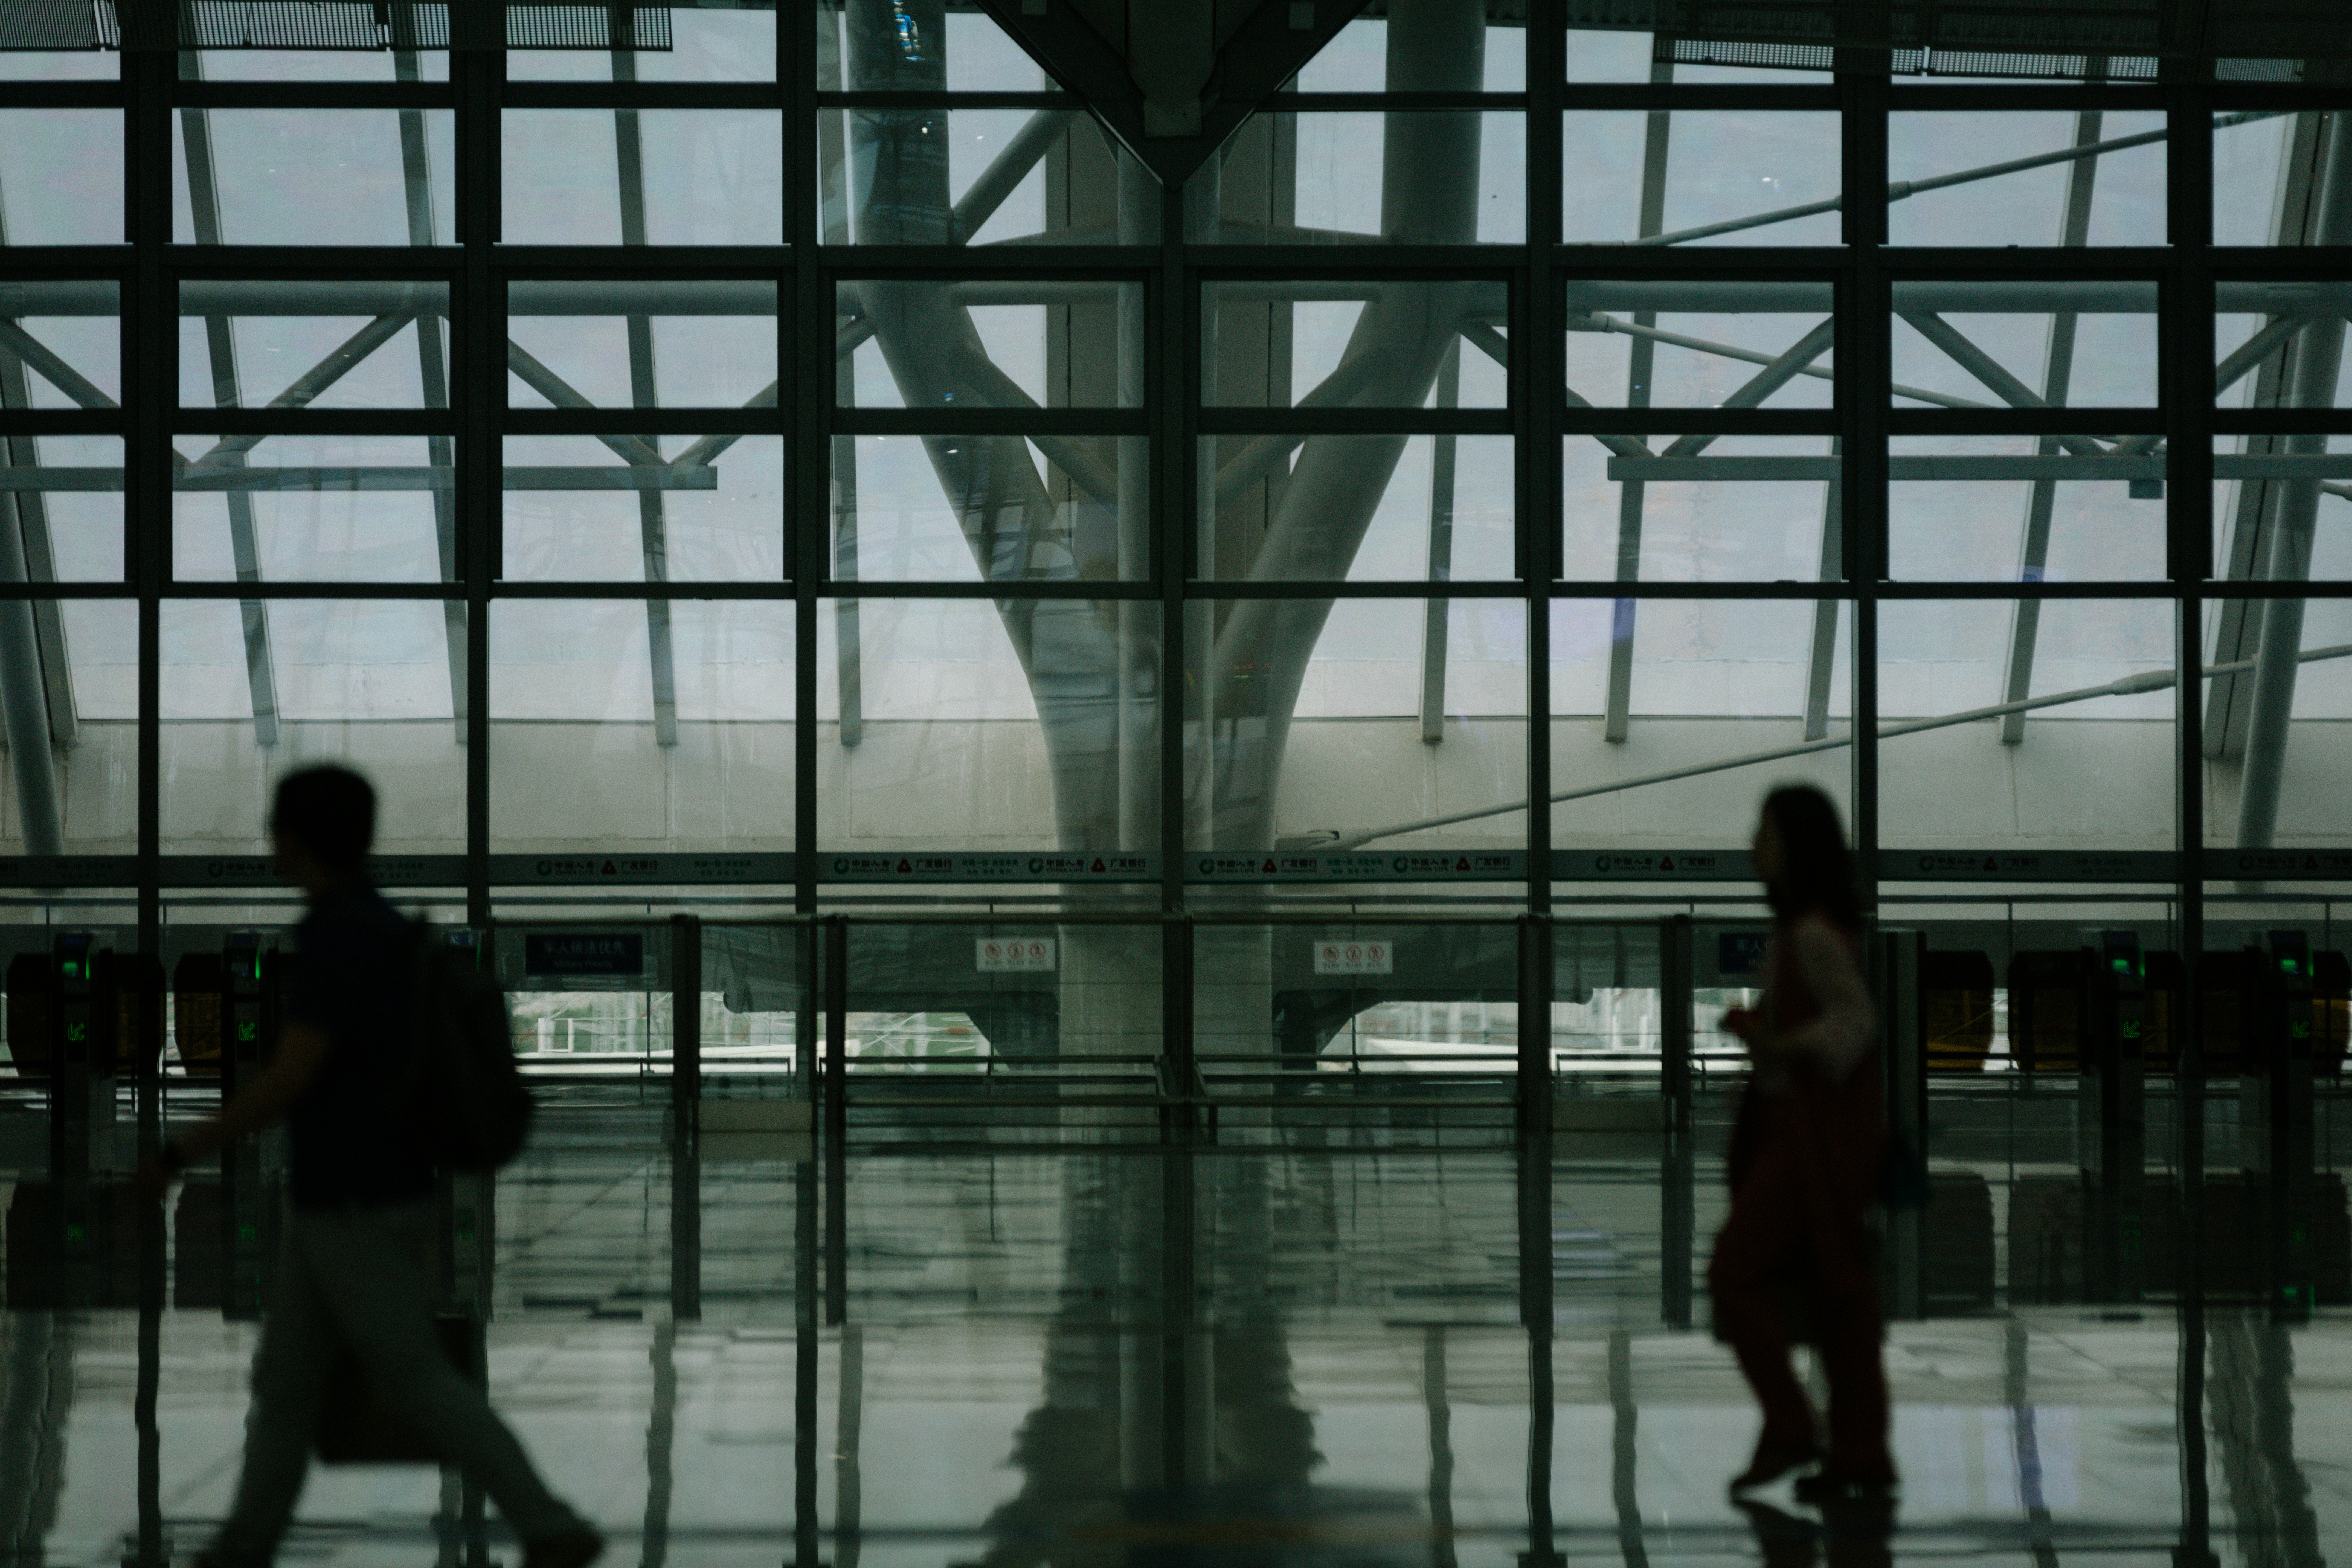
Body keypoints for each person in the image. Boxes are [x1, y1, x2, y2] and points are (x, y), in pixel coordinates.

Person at [137, 765, 602, 1568]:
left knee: (416, 1376)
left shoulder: (339, 941)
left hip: (354, 1198)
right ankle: (245, 1542)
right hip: (351, 1195)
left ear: (295, 837)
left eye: (274, 826)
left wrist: (183, 1149)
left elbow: (289, 1078)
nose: (267, 840)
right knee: (285, 1381)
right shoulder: (384, 927)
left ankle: (550, 1522)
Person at [1708, 784, 1897, 1501]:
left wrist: (1778, 1040)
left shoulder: (1813, 935)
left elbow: (1854, 1025)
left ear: (1798, 848)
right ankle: (1859, 1451)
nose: (1754, 846)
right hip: (1815, 1134)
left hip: (1810, 1141)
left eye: (1767, 833)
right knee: (1837, 1291)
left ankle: (1793, 1422)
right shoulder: (1809, 930)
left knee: (1737, 1270)